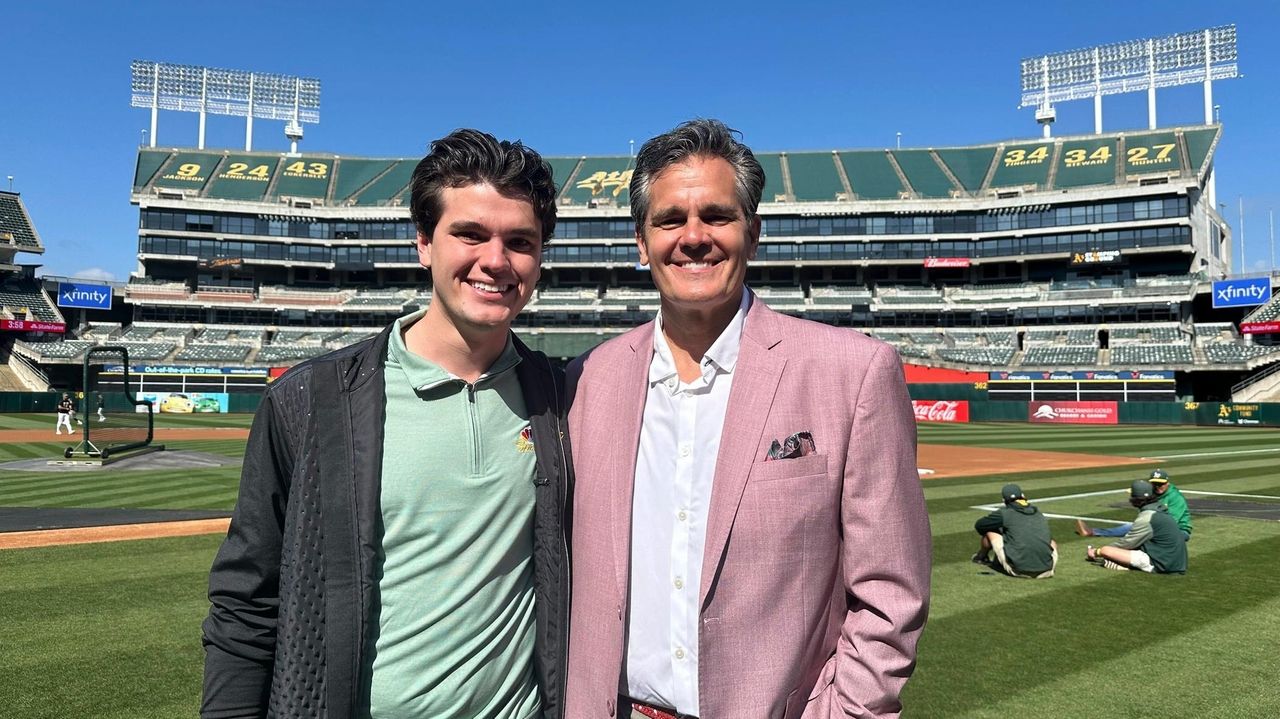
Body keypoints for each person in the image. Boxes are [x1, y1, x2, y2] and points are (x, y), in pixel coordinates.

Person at [566, 119, 931, 719]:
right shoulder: (588, 380)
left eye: (716, 216)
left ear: (753, 233)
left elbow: (892, 590)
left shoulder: (853, 372)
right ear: (641, 242)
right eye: (669, 220)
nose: (693, 237)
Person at [201, 129, 572, 719]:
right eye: (470, 234)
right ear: (424, 243)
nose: (496, 261)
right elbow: (247, 602)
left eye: (520, 241)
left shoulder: (562, 398)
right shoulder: (308, 400)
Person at [1085, 480, 1187, 574]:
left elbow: (1127, 543)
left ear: (1136, 499)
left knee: (1106, 550)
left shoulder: (1147, 516)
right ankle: (1124, 564)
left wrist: (1097, 552)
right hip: (1175, 562)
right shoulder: (1158, 509)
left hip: (1163, 564)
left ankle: (1124, 565)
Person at [1076, 468, 1192, 541]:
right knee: (1131, 527)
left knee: (1135, 530)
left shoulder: (1176, 498)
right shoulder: (1151, 492)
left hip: (1179, 531)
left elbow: (1170, 523)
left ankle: (1095, 534)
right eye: (1155, 483)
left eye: (1161, 484)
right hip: (1159, 527)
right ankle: (1094, 532)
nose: (1158, 486)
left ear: (1167, 483)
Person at [972, 483, 1057, 578]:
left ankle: (981, 557)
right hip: (1047, 570)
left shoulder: (1004, 513)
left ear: (1004, 501)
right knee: (1051, 541)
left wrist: (1002, 531)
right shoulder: (1038, 513)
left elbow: (979, 525)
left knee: (991, 532)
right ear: (1023, 496)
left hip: (1019, 570)